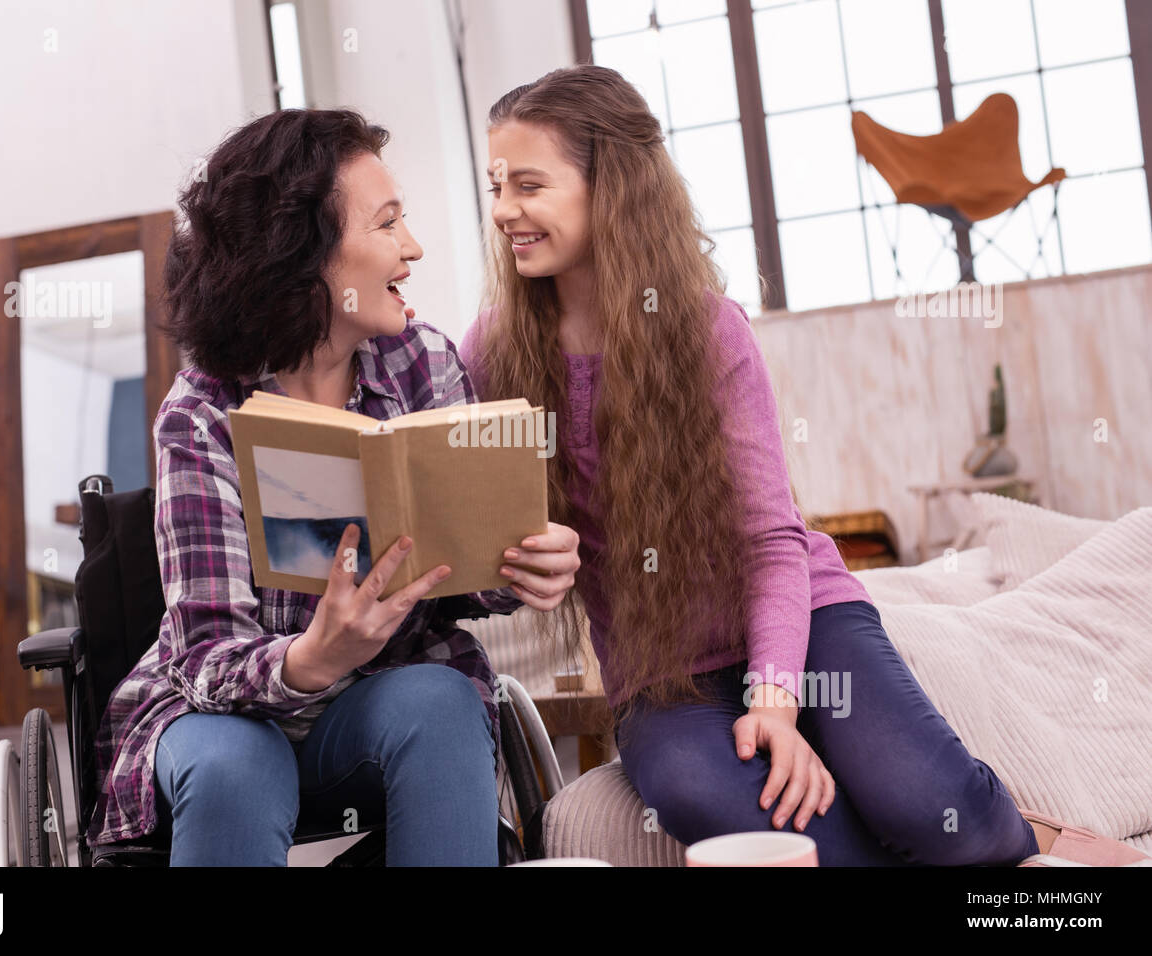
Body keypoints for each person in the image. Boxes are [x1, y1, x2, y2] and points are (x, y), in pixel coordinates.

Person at [458, 64, 1148, 867]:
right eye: (496, 184)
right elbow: (501, 550)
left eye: (530, 185)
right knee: (751, 823)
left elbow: (771, 543)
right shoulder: (489, 351)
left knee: (932, 810)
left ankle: (1036, 836)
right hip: (661, 676)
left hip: (803, 619)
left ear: (608, 186)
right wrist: (525, 570)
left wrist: (776, 703)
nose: (505, 209)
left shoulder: (708, 332)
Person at [84, 108, 580, 866]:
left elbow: (467, 575)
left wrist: (521, 563)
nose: (411, 249)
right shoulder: (200, 415)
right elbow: (209, 655)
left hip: (374, 703)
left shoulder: (425, 365)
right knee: (233, 767)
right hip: (224, 711)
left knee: (442, 703)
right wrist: (311, 658)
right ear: (302, 257)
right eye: (386, 225)